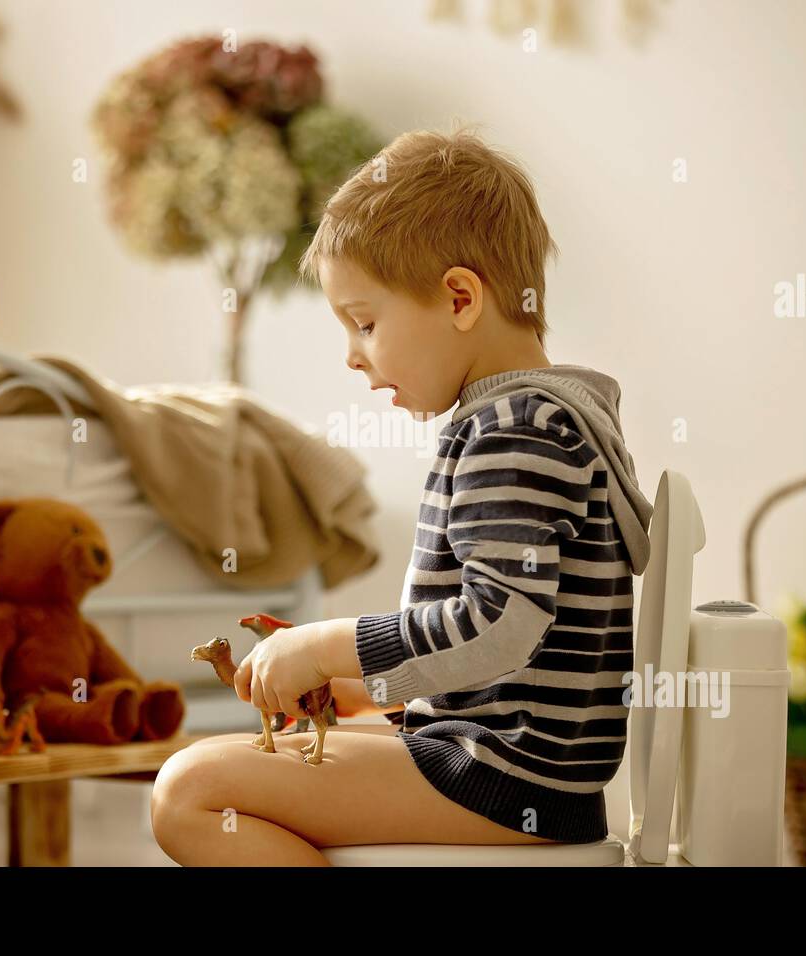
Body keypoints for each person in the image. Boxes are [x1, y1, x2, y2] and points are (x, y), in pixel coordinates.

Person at [151, 122, 653, 866]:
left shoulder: (513, 431)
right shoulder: (545, 420)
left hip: (501, 777)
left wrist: (327, 647)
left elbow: (501, 623)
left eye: (365, 322)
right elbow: (515, 651)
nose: (353, 356)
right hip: (515, 771)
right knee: (235, 765)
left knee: (190, 790)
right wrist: (384, 693)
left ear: (458, 299)